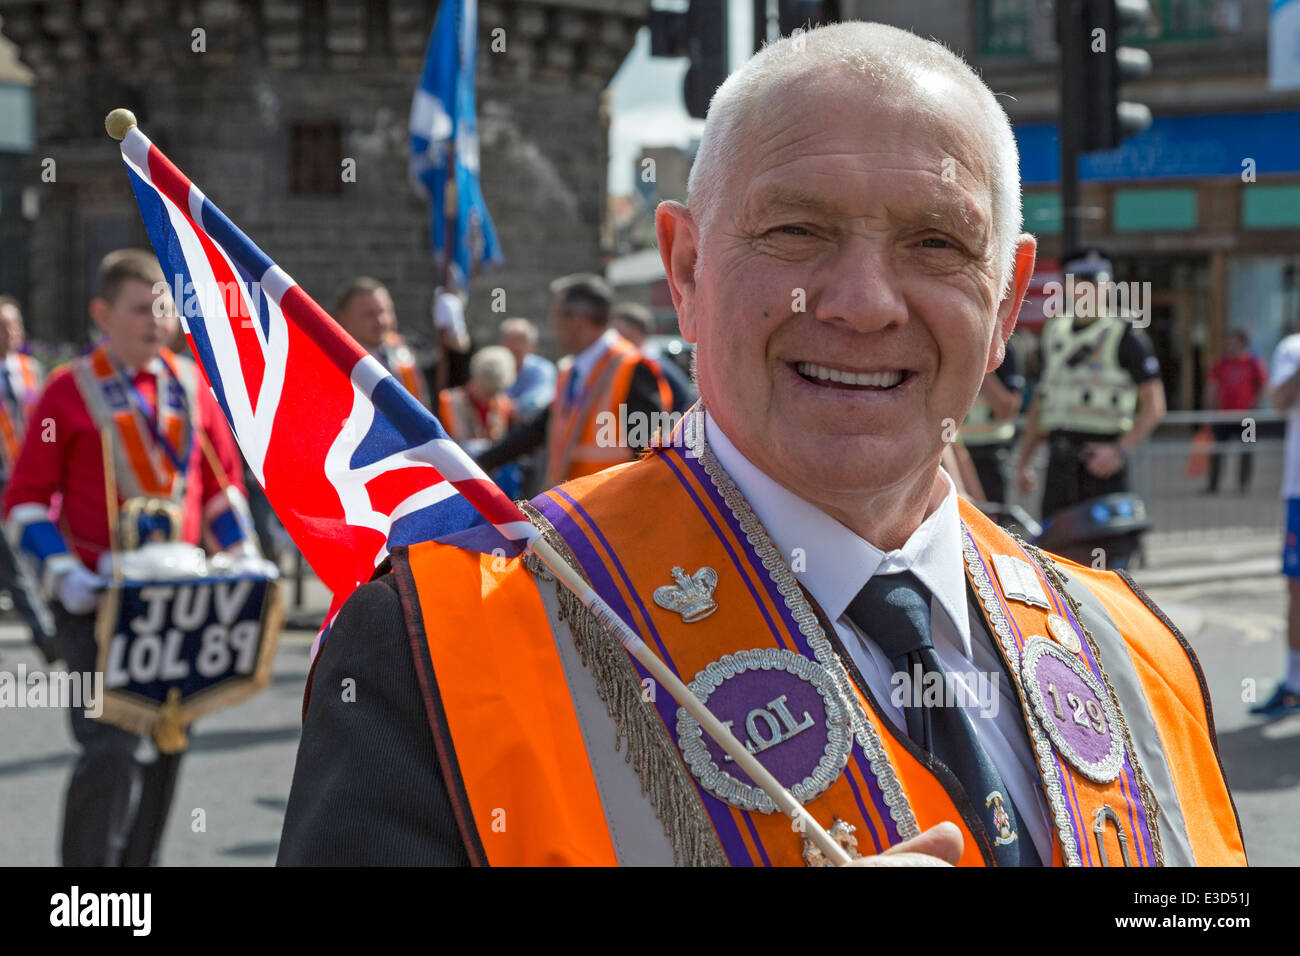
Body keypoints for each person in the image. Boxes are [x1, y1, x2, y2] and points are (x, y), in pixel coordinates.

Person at [278, 23, 1244, 867]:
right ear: (686, 269)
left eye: (937, 244)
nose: (864, 303)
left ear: (1005, 299)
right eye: (795, 230)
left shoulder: (1136, 654)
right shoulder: (443, 647)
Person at [3, 249, 257, 866]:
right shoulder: (67, 390)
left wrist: (244, 551)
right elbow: (24, 501)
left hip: (180, 605)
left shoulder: (192, 386)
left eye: (165, 309)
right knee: (110, 749)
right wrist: (64, 574)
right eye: (141, 309)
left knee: (168, 745)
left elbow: (219, 487)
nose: (157, 322)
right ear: (102, 314)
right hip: (98, 603)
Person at [476, 274, 672, 486]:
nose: (553, 325)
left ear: (578, 322)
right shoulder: (570, 371)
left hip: (612, 510)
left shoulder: (632, 368)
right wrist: (477, 463)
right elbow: (537, 431)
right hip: (577, 508)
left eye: (556, 315)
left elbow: (650, 453)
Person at [1014, 252, 1166, 523]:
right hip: (1059, 467)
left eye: (1097, 283)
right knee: (1053, 555)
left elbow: (1155, 405)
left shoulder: (1125, 334)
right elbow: (1042, 400)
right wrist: (1024, 460)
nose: (1089, 291)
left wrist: (1121, 450)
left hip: (1102, 468)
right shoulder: (1054, 332)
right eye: (1081, 283)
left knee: (1103, 557)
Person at [0, 296, 56, 659]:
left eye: (15, 324)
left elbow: (47, 423)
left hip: (26, 478)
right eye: (4, 326)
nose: (12, 332)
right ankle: (44, 632)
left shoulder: (31, 370)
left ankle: (46, 628)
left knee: (25, 556)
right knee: (11, 560)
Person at [1255, 323, 1300, 718]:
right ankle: (1294, 683)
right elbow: (1280, 402)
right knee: (1297, 589)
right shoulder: (1292, 348)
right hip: (1298, 492)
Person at [333, 277, 431, 408]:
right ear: (344, 318)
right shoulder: (334, 363)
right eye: (369, 314)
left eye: (384, 311)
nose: (380, 321)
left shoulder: (404, 353)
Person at [437, 345, 520, 498]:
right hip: (457, 481)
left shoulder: (504, 404)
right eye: (487, 390)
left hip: (495, 485)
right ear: (475, 378)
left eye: (495, 391)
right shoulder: (449, 401)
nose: (491, 396)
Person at [958, 333, 1024, 505]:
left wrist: (979, 363)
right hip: (953, 454)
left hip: (990, 457)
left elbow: (1007, 409)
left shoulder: (1003, 349)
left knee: (989, 522)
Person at [1205, 329, 1268, 494]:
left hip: (1247, 418)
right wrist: (1209, 409)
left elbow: (1263, 386)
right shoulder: (1222, 363)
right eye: (1228, 341)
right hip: (1223, 416)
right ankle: (1213, 484)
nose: (1229, 345)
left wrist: (1254, 404)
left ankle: (1244, 485)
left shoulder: (1253, 362)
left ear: (1242, 343)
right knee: (1217, 450)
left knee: (1246, 451)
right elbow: (1212, 386)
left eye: (1233, 341)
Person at [612, 301, 698, 414]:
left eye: (619, 330)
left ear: (635, 332)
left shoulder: (648, 363)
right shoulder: (651, 357)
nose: (615, 337)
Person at [498, 317, 557, 418]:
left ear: (532, 345)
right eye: (510, 339)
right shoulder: (496, 368)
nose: (515, 345)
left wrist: (503, 407)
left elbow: (538, 404)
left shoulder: (543, 369)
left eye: (520, 340)